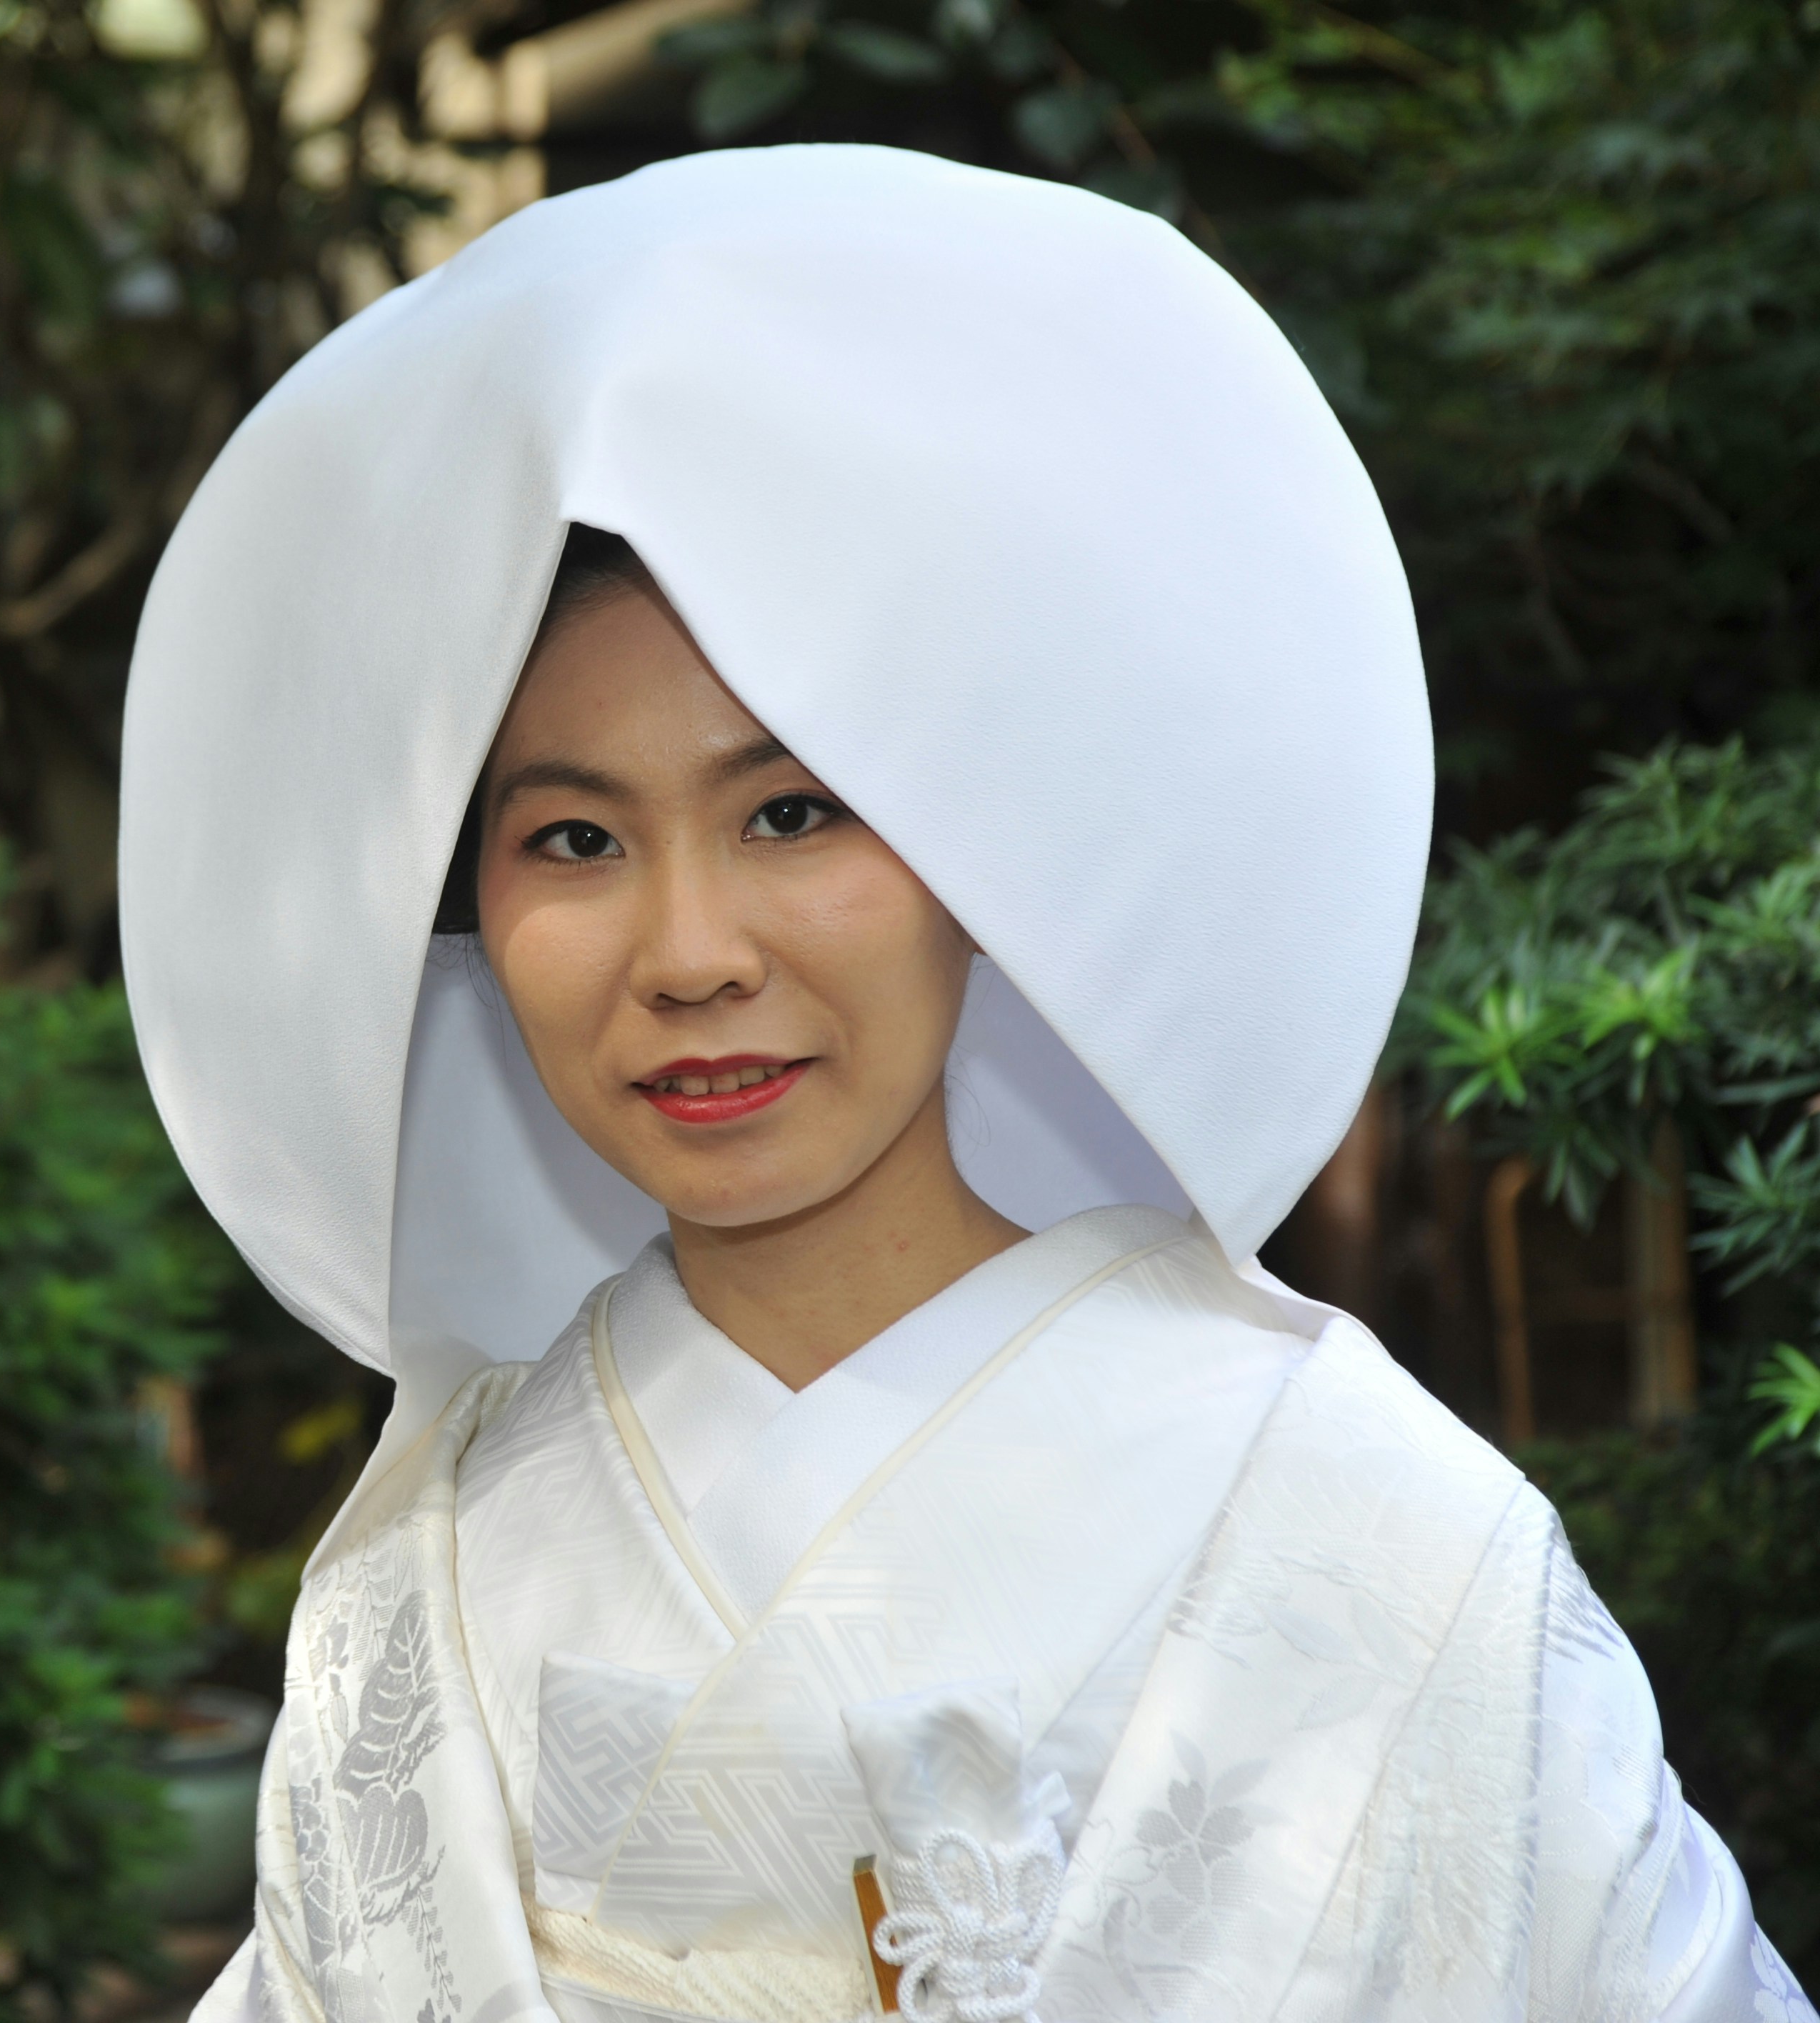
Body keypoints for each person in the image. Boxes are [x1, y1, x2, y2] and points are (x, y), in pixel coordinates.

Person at [114, 146, 1811, 2023]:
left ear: (979, 856)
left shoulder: (1371, 1544)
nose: (691, 952)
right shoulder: (417, 1602)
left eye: (791, 812)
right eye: (575, 842)